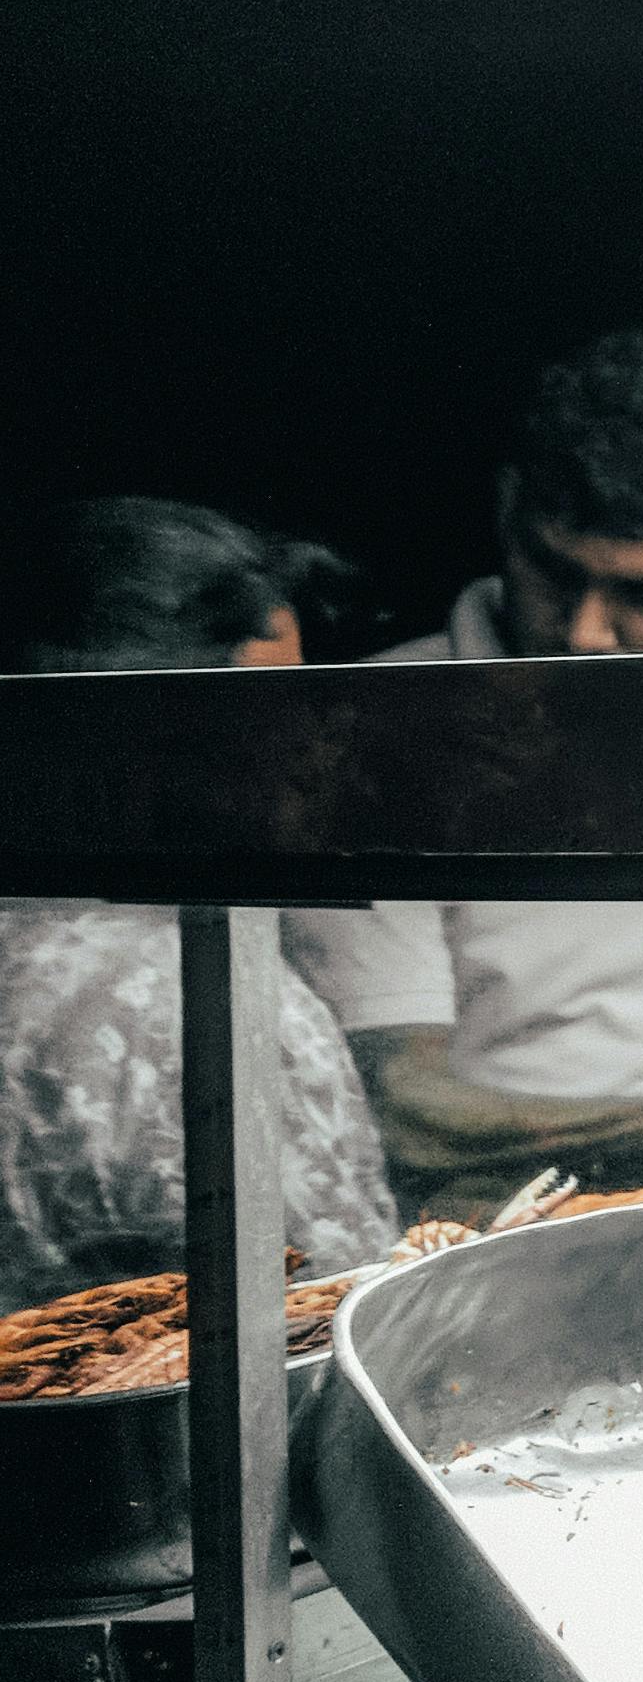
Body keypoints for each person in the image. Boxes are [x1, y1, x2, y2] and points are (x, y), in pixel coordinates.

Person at [284, 335, 643, 1222]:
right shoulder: (371, 734)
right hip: (506, 1243)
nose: (587, 633)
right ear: (508, 513)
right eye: (554, 574)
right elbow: (409, 1108)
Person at [0, 502, 396, 1313]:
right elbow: (341, 1318)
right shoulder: (210, 993)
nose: (313, 746)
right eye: (272, 709)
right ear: (161, 732)